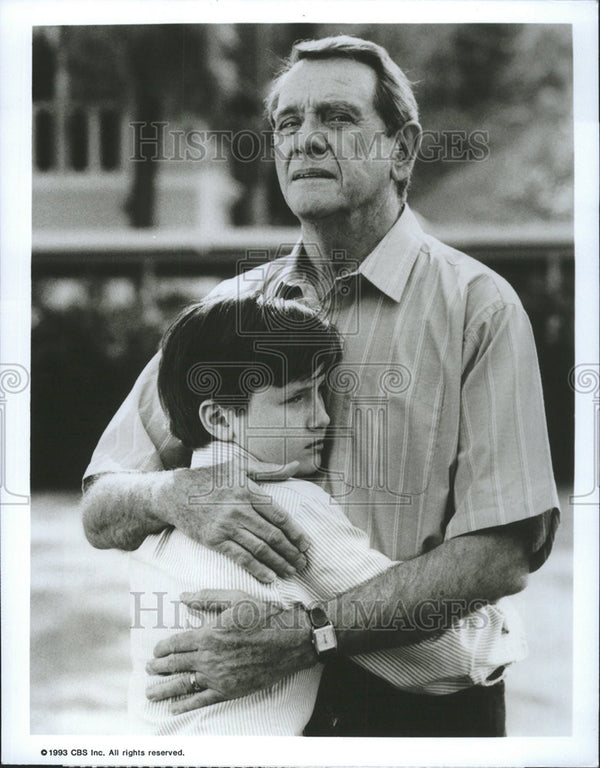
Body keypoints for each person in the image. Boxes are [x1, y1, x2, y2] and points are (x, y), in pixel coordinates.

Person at [82, 35, 560, 737]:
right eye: (288, 123)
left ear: (402, 148)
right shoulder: (230, 316)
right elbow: (101, 503)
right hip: (244, 712)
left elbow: (501, 551)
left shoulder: (478, 309)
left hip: (418, 720)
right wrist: (174, 492)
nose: (305, 141)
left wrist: (311, 636)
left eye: (335, 118)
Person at [129, 293, 526, 735]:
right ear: (221, 419)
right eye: (297, 398)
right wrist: (500, 630)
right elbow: (447, 661)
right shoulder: (287, 506)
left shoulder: (157, 527)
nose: (321, 417)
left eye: (320, 391)